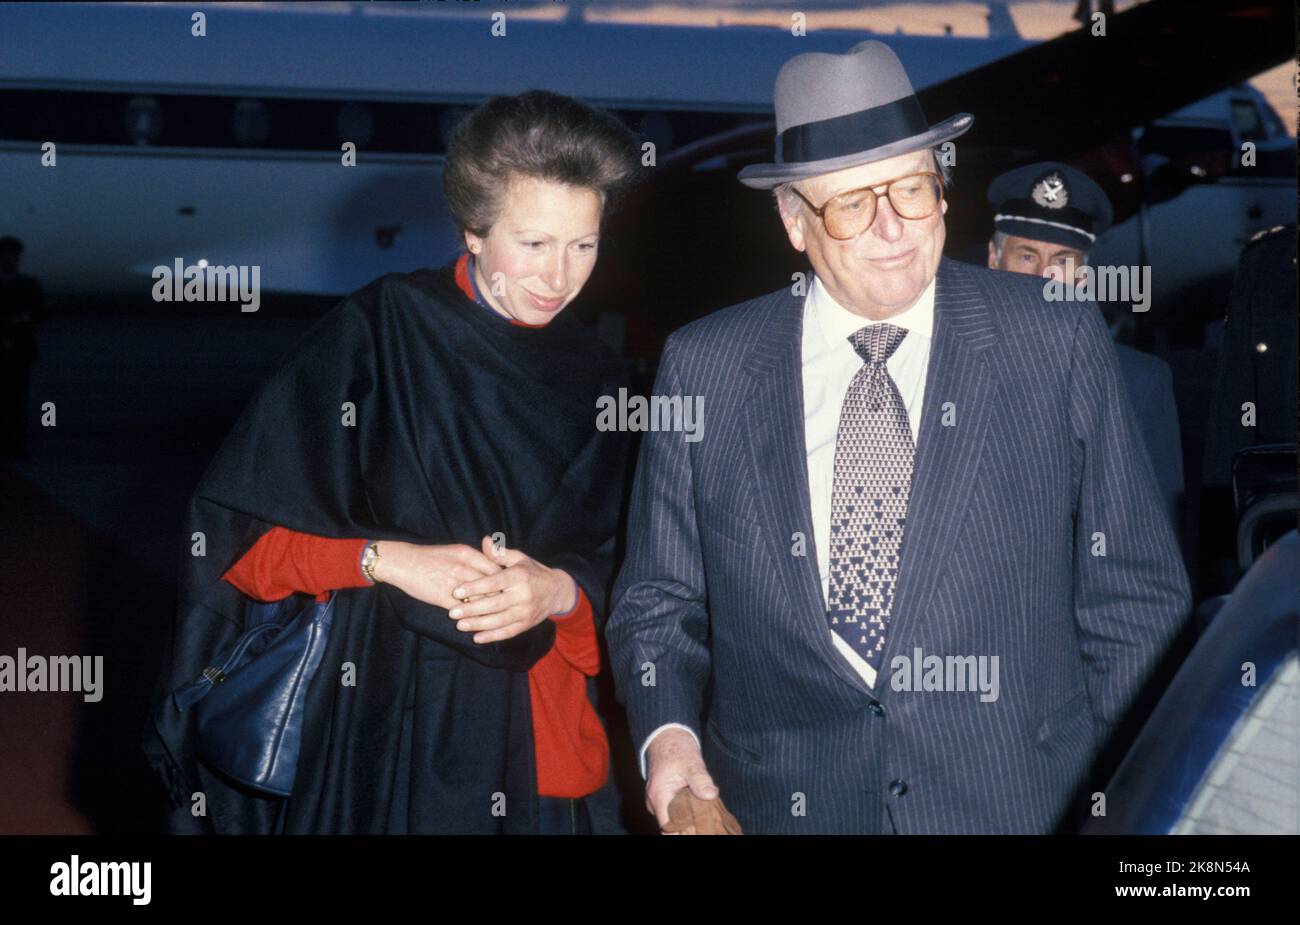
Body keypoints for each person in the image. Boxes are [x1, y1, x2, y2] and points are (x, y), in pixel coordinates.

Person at [605, 41, 1191, 835]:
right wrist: (669, 743)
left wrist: (1129, 806)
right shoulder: (705, 365)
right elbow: (657, 601)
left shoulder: (1053, 338)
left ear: (944, 193)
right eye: (852, 203)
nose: (891, 229)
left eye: (911, 189)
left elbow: (1133, 597)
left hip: (1018, 807)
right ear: (793, 222)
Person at [143, 90, 639, 834]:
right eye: (533, 244)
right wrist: (388, 559)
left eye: (584, 245)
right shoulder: (379, 332)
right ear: (472, 231)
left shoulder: (607, 379)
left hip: (539, 747)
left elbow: (638, 579)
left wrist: (559, 592)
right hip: (375, 726)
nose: (559, 276)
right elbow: (241, 542)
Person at [985, 161, 1184, 532]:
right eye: (1027, 255)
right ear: (995, 259)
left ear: (1081, 277)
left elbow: (1157, 543)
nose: (1043, 276)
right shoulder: (941, 364)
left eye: (1062, 260)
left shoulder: (1136, 385)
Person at [0, 235, 44, 457]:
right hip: (15, 349)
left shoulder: (29, 285)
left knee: (17, 400)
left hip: (19, 351)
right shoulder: (28, 285)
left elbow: (40, 313)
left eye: (12, 256)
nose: (10, 260)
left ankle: (14, 443)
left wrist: (22, 320)